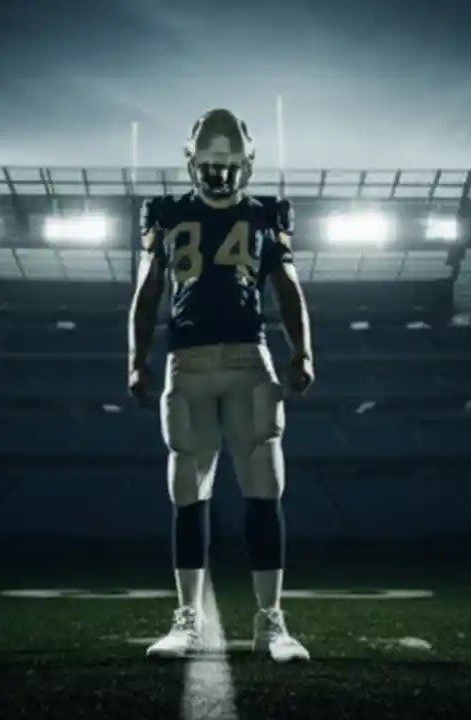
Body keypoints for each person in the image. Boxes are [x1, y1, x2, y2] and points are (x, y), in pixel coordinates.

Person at [127, 108, 315, 663]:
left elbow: (286, 286)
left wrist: (301, 350)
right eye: (211, 166)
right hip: (186, 359)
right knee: (187, 489)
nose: (219, 176)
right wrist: (137, 357)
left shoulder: (265, 214)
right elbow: (148, 289)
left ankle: (271, 622)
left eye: (229, 166)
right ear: (192, 163)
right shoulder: (164, 213)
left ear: (246, 164)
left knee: (264, 485)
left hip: (247, 356)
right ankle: (187, 619)